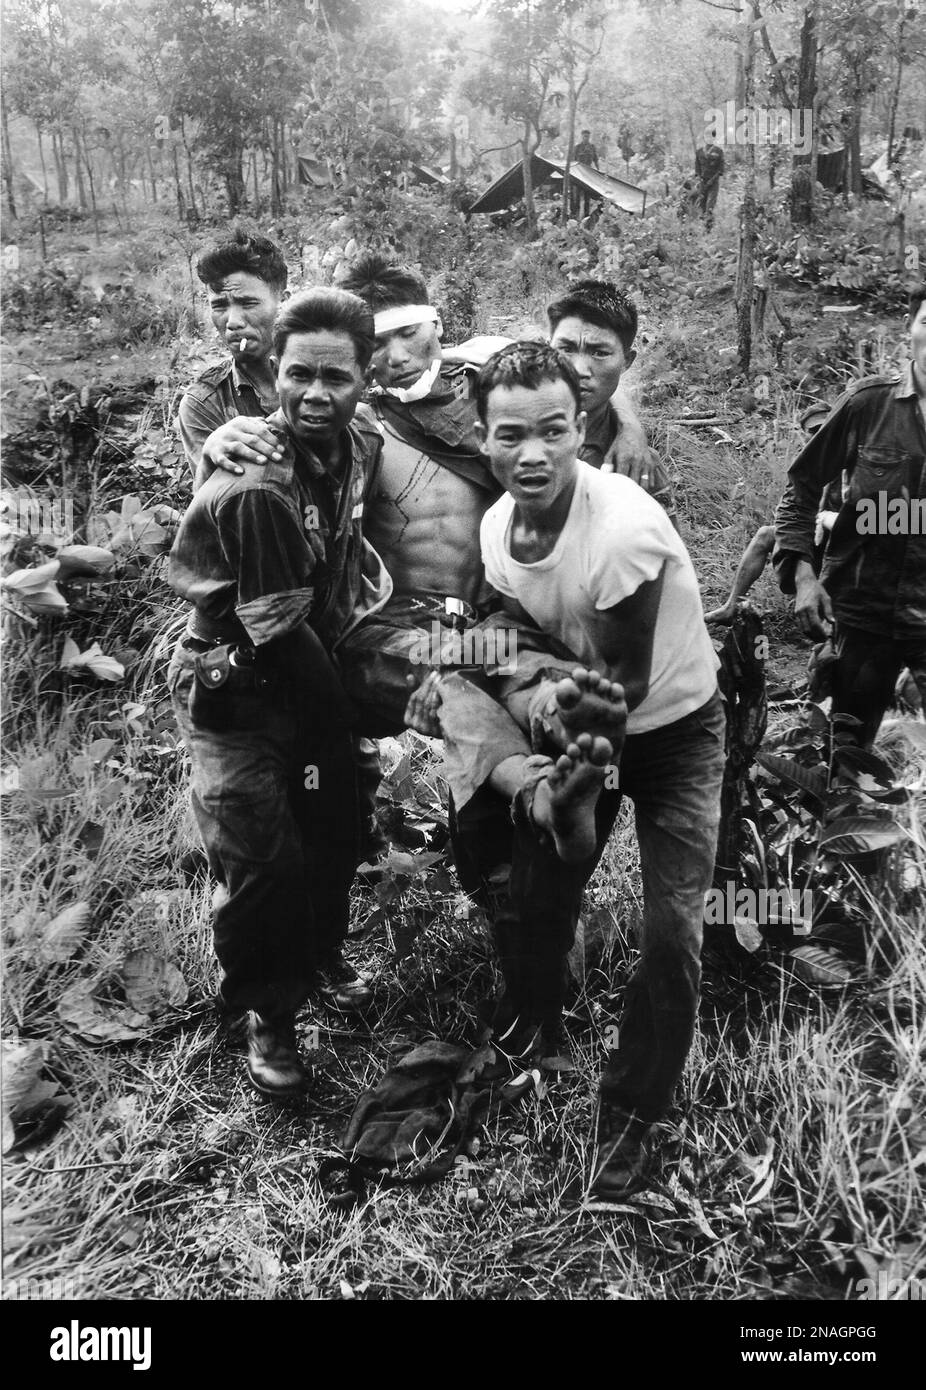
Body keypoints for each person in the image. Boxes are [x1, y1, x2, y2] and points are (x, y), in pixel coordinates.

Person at [462, 341, 724, 1200]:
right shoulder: (497, 529)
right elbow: (515, 625)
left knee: (674, 933)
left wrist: (553, 713)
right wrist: (527, 686)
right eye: (511, 435)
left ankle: (634, 1111)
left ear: (583, 429)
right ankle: (533, 1027)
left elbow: (624, 687)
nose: (533, 454)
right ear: (483, 438)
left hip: (675, 732)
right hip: (585, 727)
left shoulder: (621, 530)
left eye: (553, 431)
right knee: (538, 889)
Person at [167, 287, 390, 1096]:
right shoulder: (259, 480)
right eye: (299, 375)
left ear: (366, 377)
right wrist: (345, 727)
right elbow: (278, 630)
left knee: (336, 832)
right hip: (243, 692)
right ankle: (271, 1012)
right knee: (264, 862)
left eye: (336, 377)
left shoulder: (361, 439)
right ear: (276, 374)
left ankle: (321, 953)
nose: (315, 395)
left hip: (312, 674)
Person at [773, 283, 926, 747]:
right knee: (847, 753)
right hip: (861, 614)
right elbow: (802, 486)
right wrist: (803, 576)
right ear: (910, 328)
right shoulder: (867, 404)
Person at [547, 279, 678, 526]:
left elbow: (664, 548)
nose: (579, 369)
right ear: (547, 349)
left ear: (626, 361)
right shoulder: (507, 426)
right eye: (566, 349)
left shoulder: (637, 463)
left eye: (599, 353)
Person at [177, 229, 289, 486]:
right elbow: (212, 502)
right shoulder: (203, 404)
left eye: (248, 303)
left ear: (283, 303)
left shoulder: (327, 371)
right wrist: (211, 457)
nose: (233, 322)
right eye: (219, 306)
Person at [694, 140, 724, 231]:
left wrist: (712, 180)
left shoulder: (719, 151)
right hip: (702, 183)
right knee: (702, 205)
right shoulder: (699, 152)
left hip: (713, 183)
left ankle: (709, 228)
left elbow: (720, 170)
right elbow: (697, 168)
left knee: (710, 205)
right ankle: (703, 227)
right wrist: (700, 179)